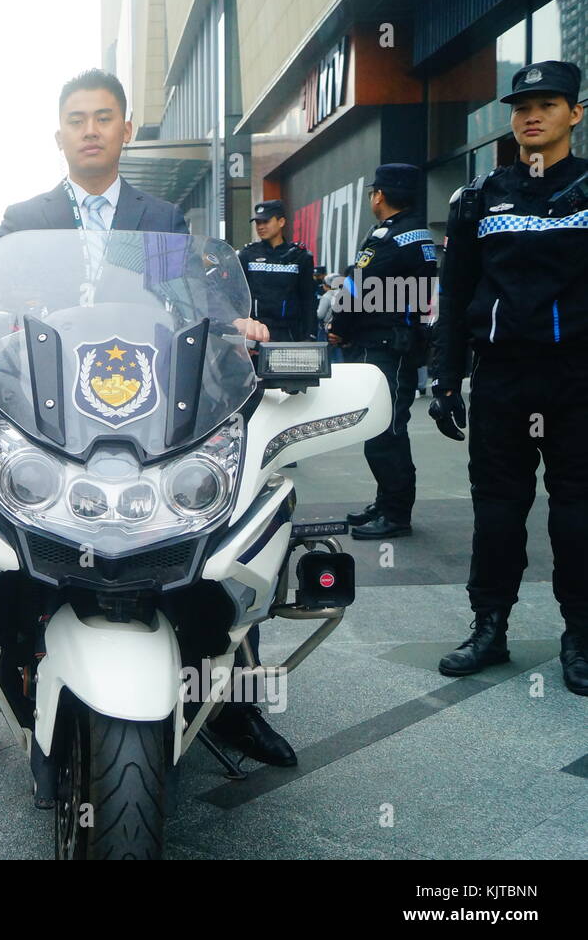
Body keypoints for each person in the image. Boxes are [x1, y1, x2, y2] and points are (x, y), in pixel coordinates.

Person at [0, 68, 293, 775]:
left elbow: (186, 292)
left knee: (227, 531)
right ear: (58, 134)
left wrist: (230, 319)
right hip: (45, 398)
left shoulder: (156, 221)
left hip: (146, 397)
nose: (90, 130)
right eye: (76, 119)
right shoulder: (27, 216)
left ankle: (238, 707)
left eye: (103, 117)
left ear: (126, 129)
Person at [429, 60, 588, 696]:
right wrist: (444, 378)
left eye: (548, 104)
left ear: (574, 114)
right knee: (498, 514)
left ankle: (578, 635)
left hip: (578, 380)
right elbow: (457, 291)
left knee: (577, 515)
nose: (531, 114)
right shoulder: (479, 197)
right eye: (522, 105)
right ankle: (488, 627)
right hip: (501, 380)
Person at [330, 163, 437, 541]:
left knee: (384, 431)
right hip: (399, 341)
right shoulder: (419, 233)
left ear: (380, 195)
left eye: (373, 192)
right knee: (388, 427)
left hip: (385, 346)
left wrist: (337, 329)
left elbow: (358, 287)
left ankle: (395, 514)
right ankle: (386, 502)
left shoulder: (389, 238)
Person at [237, 201, 317, 342]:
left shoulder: (300, 256)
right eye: (258, 223)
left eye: (266, 221)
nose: (260, 227)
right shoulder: (247, 255)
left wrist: (310, 335)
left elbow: (308, 301)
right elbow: (238, 298)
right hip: (255, 334)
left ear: (281, 222)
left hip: (289, 335)